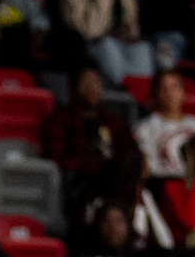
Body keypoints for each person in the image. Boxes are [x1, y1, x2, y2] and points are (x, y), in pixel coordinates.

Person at [44, 67, 142, 219]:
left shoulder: (115, 123)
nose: (92, 88)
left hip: (114, 184)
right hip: (78, 184)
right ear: (73, 88)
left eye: (96, 82)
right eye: (85, 82)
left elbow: (131, 155)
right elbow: (58, 161)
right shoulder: (61, 121)